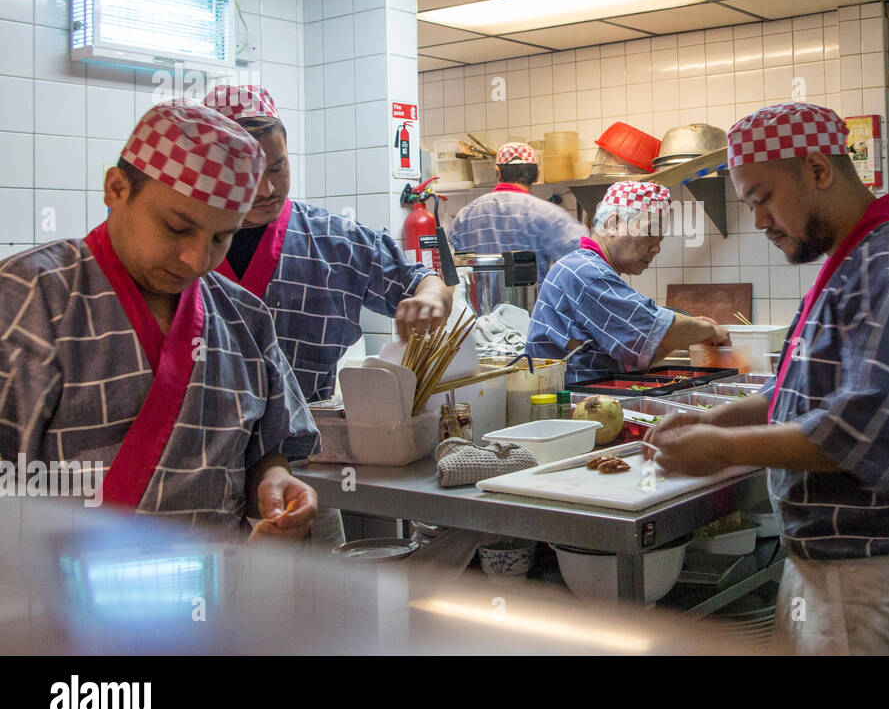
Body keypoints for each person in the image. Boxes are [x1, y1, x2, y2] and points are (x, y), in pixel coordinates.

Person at [644, 102, 889, 655]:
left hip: (878, 582)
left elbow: (863, 428)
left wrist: (721, 446)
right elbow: (807, 391)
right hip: (829, 572)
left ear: (819, 171)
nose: (758, 221)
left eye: (764, 198)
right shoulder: (849, 262)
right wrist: (717, 416)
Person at [0, 100, 320, 538]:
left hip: (214, 589)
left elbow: (266, 451)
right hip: (54, 593)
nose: (197, 259)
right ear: (116, 189)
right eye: (176, 227)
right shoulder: (32, 295)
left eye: (221, 237)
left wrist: (274, 482)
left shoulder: (244, 316)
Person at [201, 85, 451, 404]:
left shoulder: (332, 240)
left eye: (277, 168)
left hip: (309, 451)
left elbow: (423, 282)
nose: (266, 189)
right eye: (245, 173)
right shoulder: (182, 246)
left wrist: (431, 297)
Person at [526, 180, 729, 387]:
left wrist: (691, 331)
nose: (656, 249)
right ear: (613, 224)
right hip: (572, 408)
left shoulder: (586, 267)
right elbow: (655, 329)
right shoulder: (586, 272)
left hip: (590, 403)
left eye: (660, 240)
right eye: (650, 233)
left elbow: (646, 349)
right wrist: (712, 331)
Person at [447, 142, 586, 281]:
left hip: (475, 302)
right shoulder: (548, 214)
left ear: (498, 173)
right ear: (537, 174)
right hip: (533, 301)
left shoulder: (465, 216)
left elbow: (448, 264)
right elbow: (584, 258)